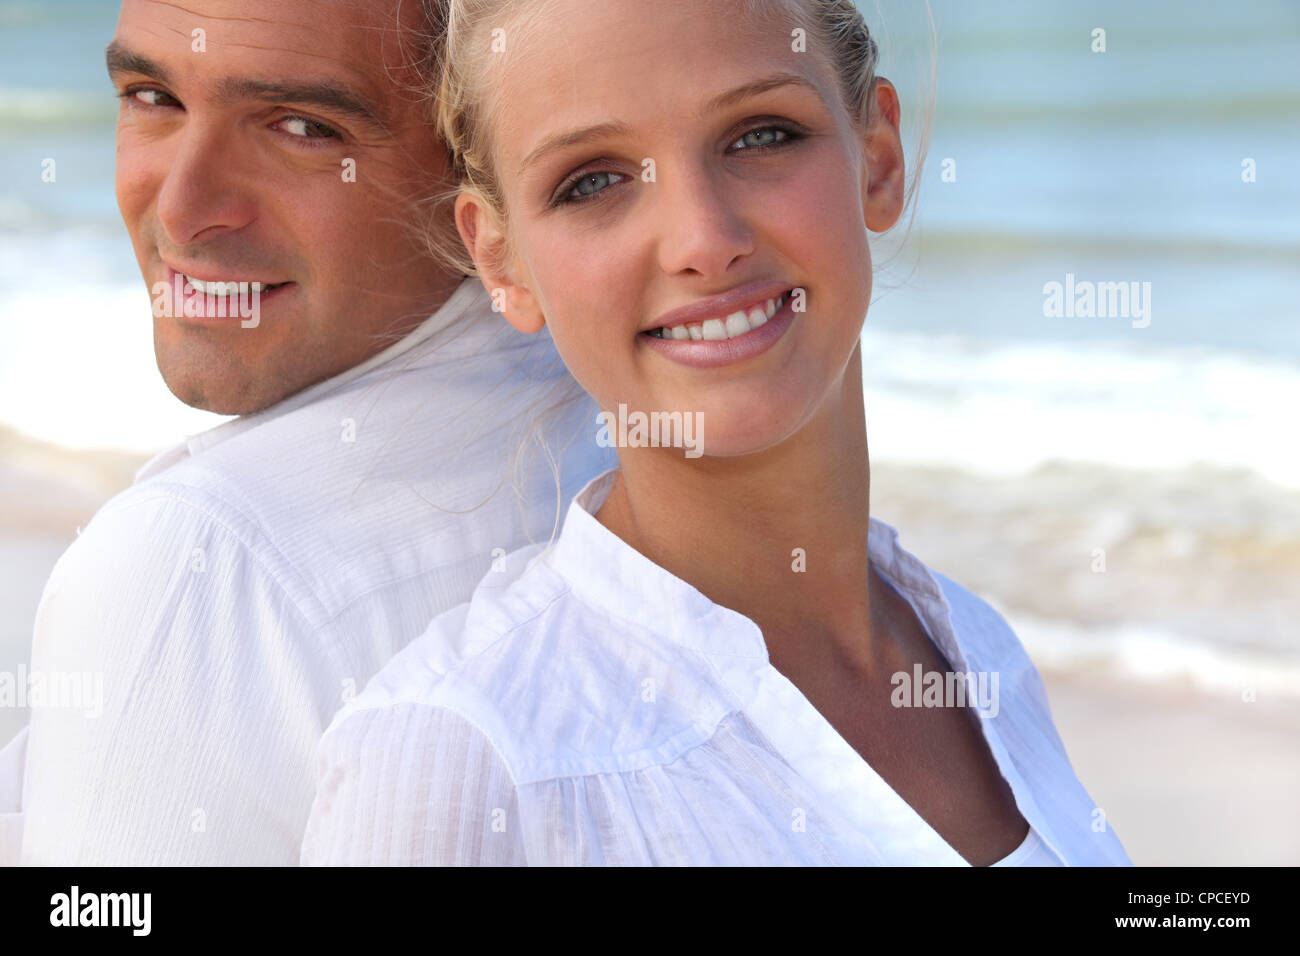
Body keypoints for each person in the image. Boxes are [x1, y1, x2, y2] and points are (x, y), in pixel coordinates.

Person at [302, 0, 1133, 866]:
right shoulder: (464, 759)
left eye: (761, 135)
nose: (703, 240)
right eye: (593, 181)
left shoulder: (973, 646)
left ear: (877, 160)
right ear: (502, 261)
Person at [4, 0, 612, 866]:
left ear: (477, 172)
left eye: (301, 127)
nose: (182, 210)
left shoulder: (199, 564)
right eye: (152, 98)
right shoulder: (627, 415)